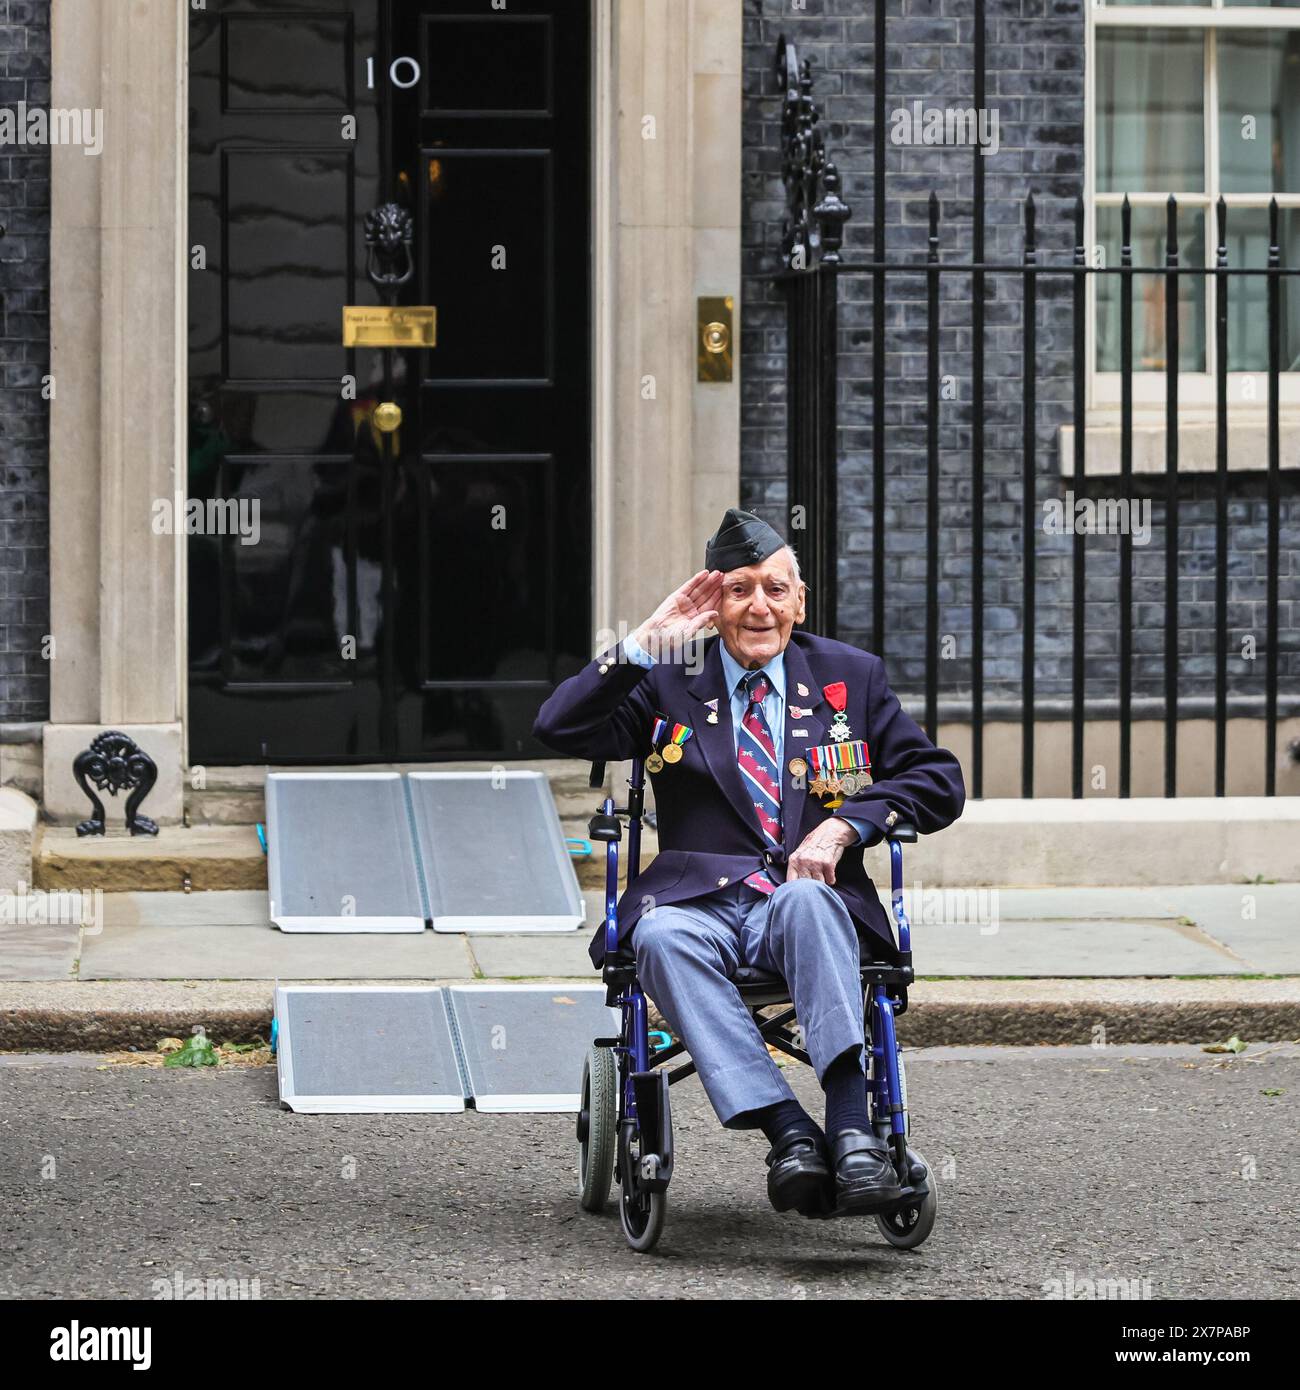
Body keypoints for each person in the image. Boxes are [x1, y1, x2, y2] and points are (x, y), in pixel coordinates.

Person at [533, 508, 965, 1217]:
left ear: (800, 600)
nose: (758, 606)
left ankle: (853, 1131)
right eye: (739, 589)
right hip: (696, 906)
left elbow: (937, 779)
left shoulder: (849, 677)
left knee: (805, 899)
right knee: (660, 937)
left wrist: (845, 829)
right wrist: (642, 646)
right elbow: (558, 726)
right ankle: (789, 1132)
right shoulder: (670, 679)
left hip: (804, 903)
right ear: (714, 604)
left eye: (774, 588)